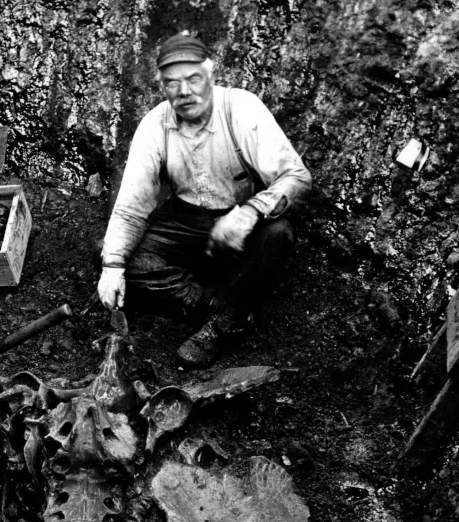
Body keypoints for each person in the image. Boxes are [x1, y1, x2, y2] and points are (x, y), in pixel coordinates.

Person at [96, 33, 312, 368]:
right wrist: (112, 266)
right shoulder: (155, 125)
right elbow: (131, 207)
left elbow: (296, 178)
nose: (184, 91)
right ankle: (211, 304)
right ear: (162, 85)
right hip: (185, 221)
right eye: (173, 82)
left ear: (210, 73)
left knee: (279, 233)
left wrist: (250, 212)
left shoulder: (241, 109)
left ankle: (224, 325)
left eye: (193, 79)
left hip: (240, 220)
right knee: (114, 255)